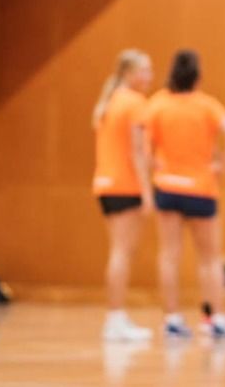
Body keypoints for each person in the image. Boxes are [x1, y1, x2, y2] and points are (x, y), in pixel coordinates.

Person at [147, 49, 225, 339]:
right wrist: (220, 167)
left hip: (167, 186)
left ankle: (171, 319)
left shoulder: (158, 104)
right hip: (201, 188)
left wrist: (154, 163)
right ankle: (216, 319)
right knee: (210, 258)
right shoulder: (207, 105)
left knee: (168, 256)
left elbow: (141, 143)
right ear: (198, 77)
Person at [92, 48, 155, 342]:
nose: (149, 76)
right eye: (145, 70)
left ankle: (116, 317)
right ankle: (115, 319)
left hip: (105, 184)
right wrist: (146, 191)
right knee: (121, 252)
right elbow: (137, 152)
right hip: (125, 185)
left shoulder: (111, 100)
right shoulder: (135, 102)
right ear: (129, 73)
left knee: (118, 251)